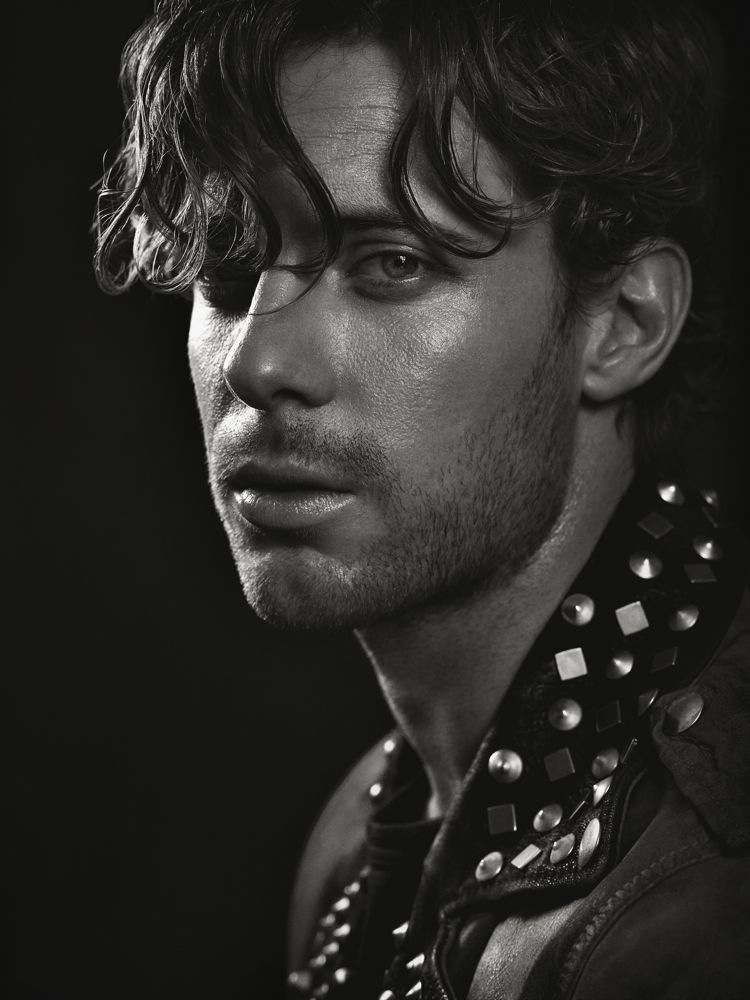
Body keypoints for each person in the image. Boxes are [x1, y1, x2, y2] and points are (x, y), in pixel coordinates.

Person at [94, 1, 749, 997]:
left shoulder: (703, 907)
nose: (258, 364)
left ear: (623, 321)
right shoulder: (359, 832)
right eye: (226, 268)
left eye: (392, 263)